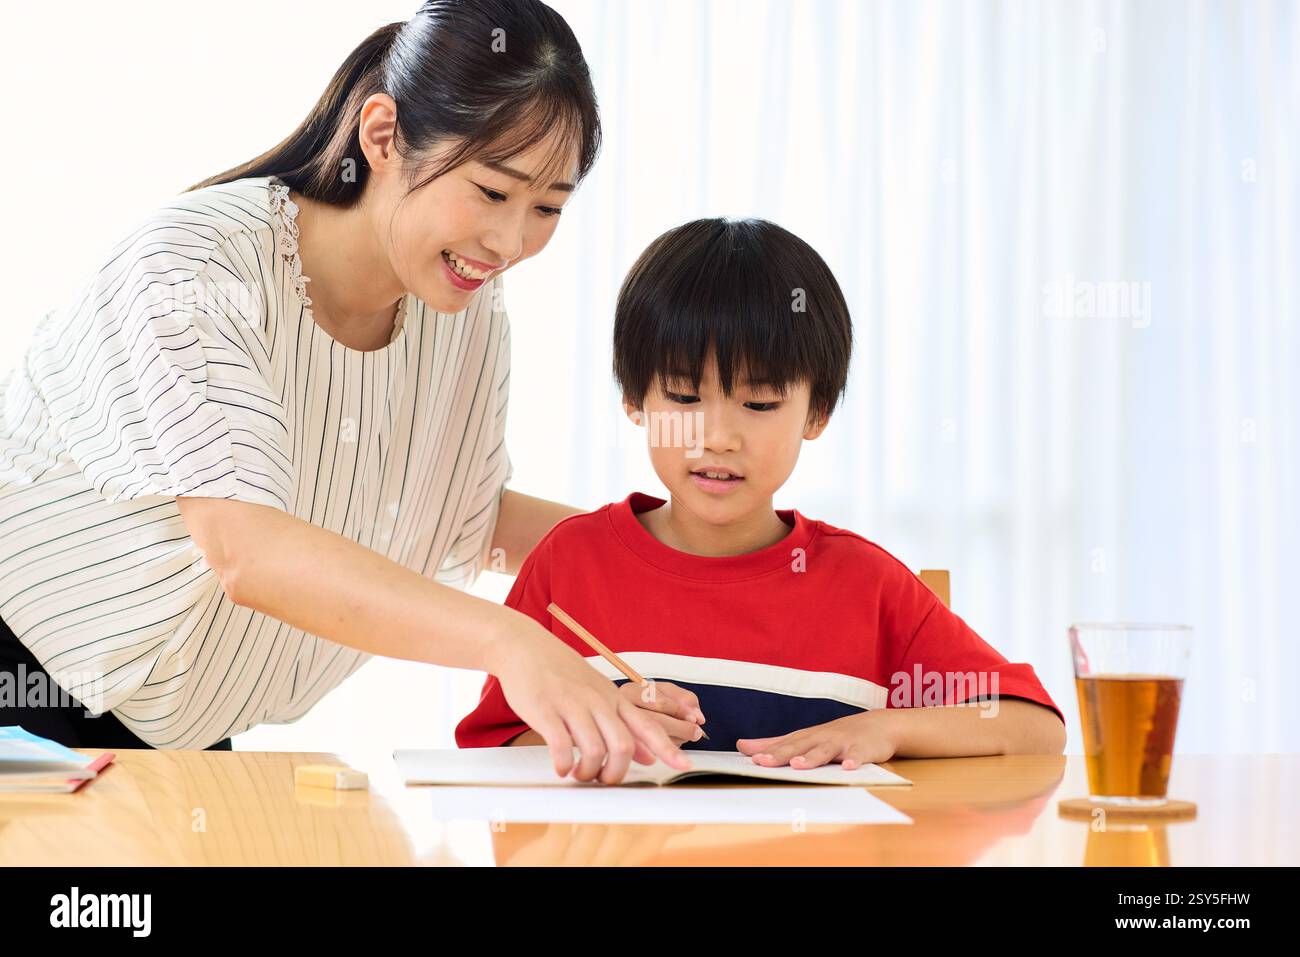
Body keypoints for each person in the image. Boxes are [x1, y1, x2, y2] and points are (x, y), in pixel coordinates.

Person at [0, 0, 688, 784]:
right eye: (494, 192)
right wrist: (514, 642)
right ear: (383, 135)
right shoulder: (200, 265)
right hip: (23, 688)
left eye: (547, 209)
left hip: (171, 735)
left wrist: (693, 554)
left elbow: (466, 519)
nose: (509, 243)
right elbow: (248, 549)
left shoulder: (461, 307)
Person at [456, 218, 1067, 766]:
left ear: (817, 411)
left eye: (760, 403)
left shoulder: (867, 585)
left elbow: (1034, 726)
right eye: (684, 397)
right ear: (635, 400)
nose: (718, 437)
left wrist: (889, 730)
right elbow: (496, 746)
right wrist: (608, 730)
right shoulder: (569, 564)